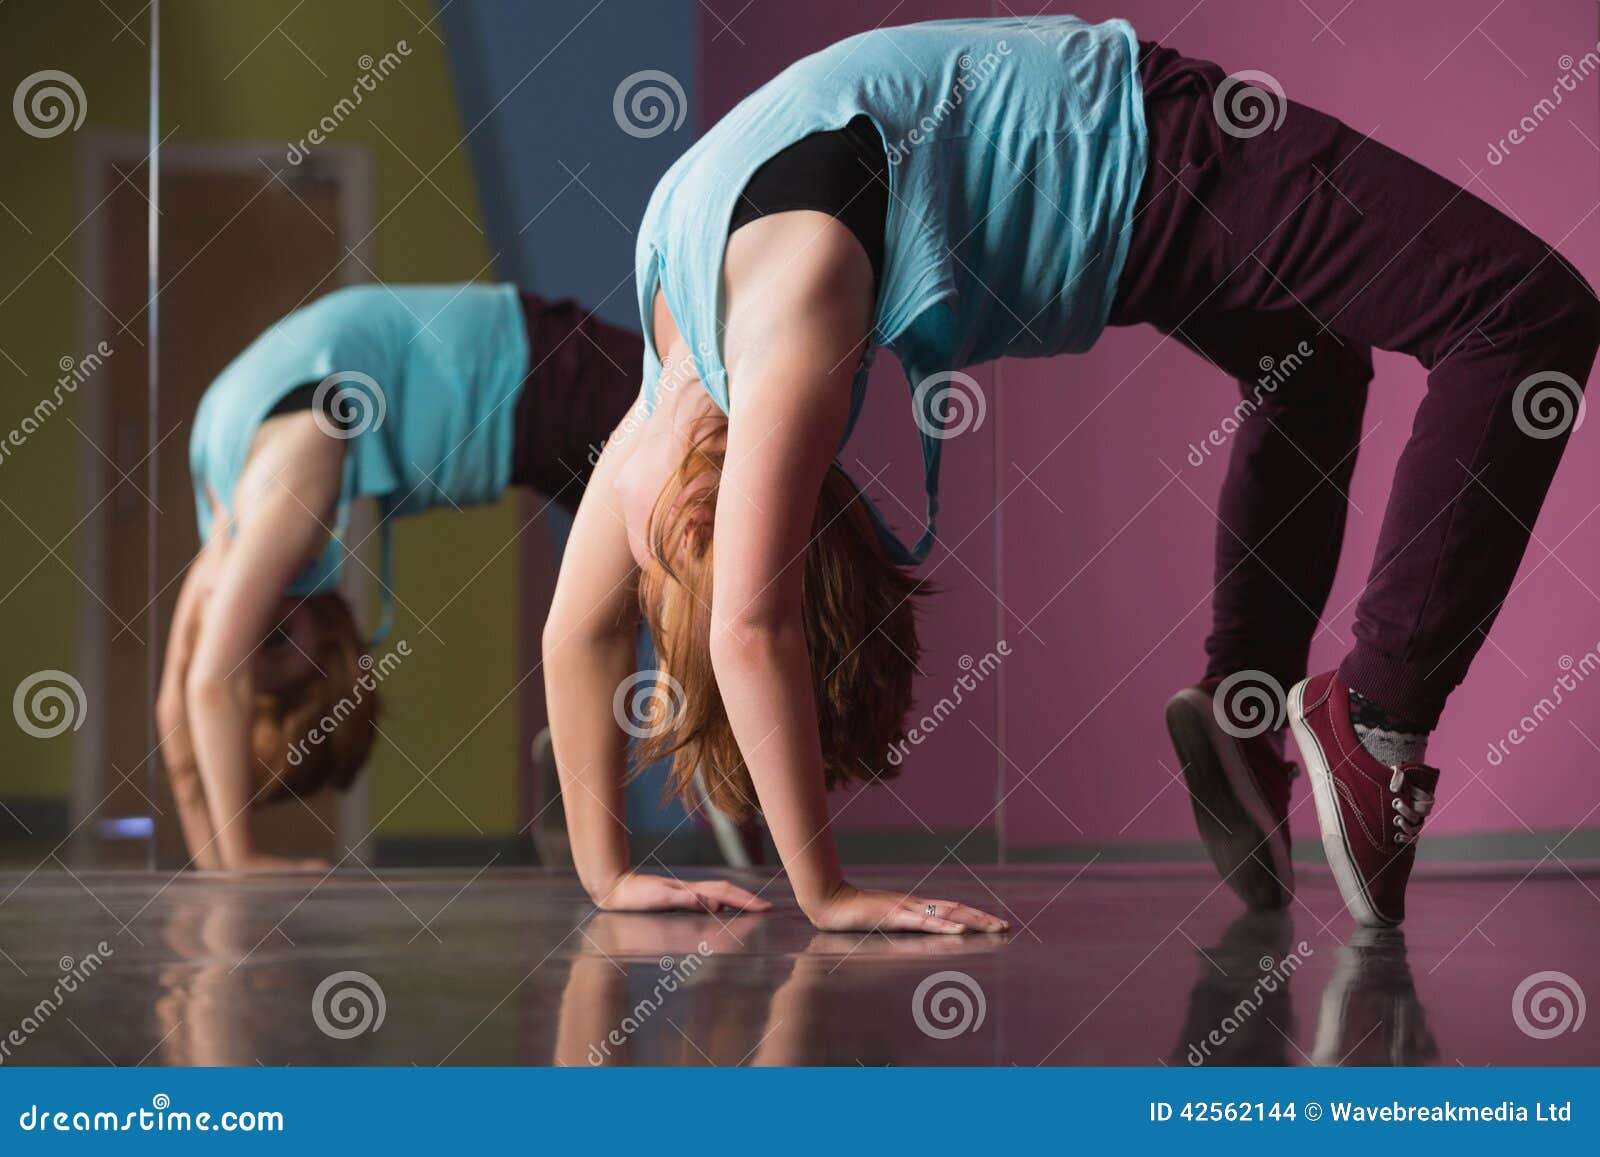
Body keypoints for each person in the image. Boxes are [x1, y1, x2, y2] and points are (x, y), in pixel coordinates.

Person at [544, 17, 1597, 931]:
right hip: (1123, 157)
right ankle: (1348, 715)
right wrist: (608, 873)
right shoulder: (669, 378)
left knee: (1423, 337)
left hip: (1129, 143)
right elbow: (582, 630)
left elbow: (744, 626)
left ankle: (1294, 707)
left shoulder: (787, 318)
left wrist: (822, 890)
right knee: (1481, 323)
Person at [159, 283, 641, 872]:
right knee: (682, 560)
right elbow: (174, 703)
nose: (263, 615)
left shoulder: (285, 488)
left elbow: (208, 684)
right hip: (532, 401)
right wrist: (209, 859)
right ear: (327, 639)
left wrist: (235, 861)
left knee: (722, 474)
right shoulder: (228, 524)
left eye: (260, 634)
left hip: (543, 370)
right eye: (278, 639)